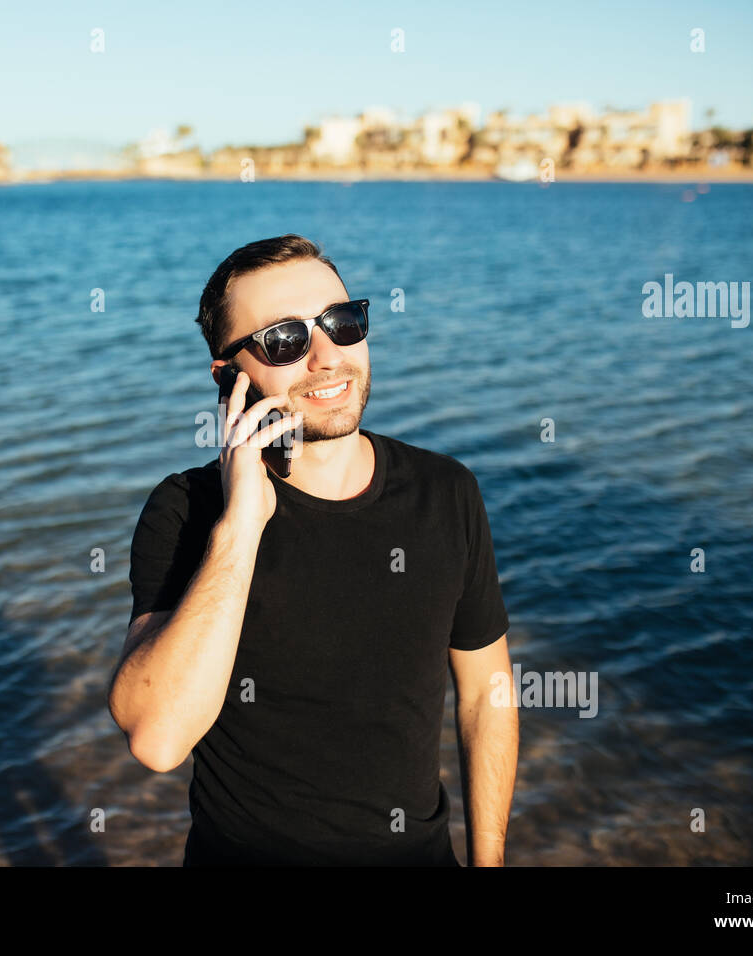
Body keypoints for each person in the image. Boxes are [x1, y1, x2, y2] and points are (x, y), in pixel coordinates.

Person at [108, 234, 518, 866]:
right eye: (284, 340)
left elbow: (487, 690)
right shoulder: (185, 512)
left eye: (341, 323)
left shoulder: (446, 491)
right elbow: (158, 739)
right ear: (229, 376)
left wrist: (489, 862)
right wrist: (243, 522)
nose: (326, 356)